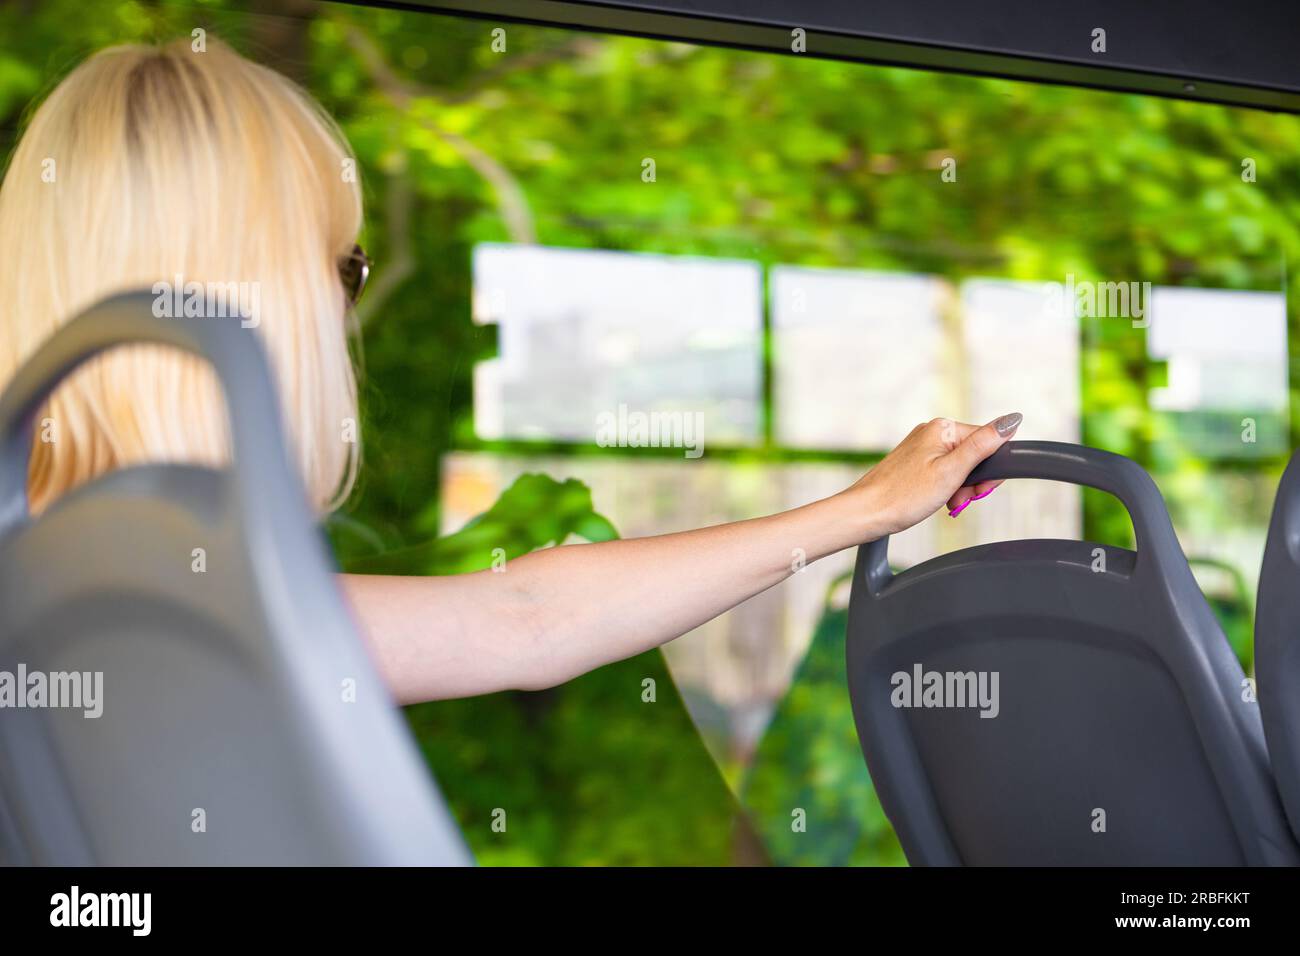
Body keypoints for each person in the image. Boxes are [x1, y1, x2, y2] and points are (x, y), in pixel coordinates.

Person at [0, 38, 1022, 702]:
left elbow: (525, 613)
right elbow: (523, 616)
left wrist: (857, 507)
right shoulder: (180, 602)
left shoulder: (79, 577)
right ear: (250, 292)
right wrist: (859, 508)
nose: (342, 303)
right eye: (339, 265)